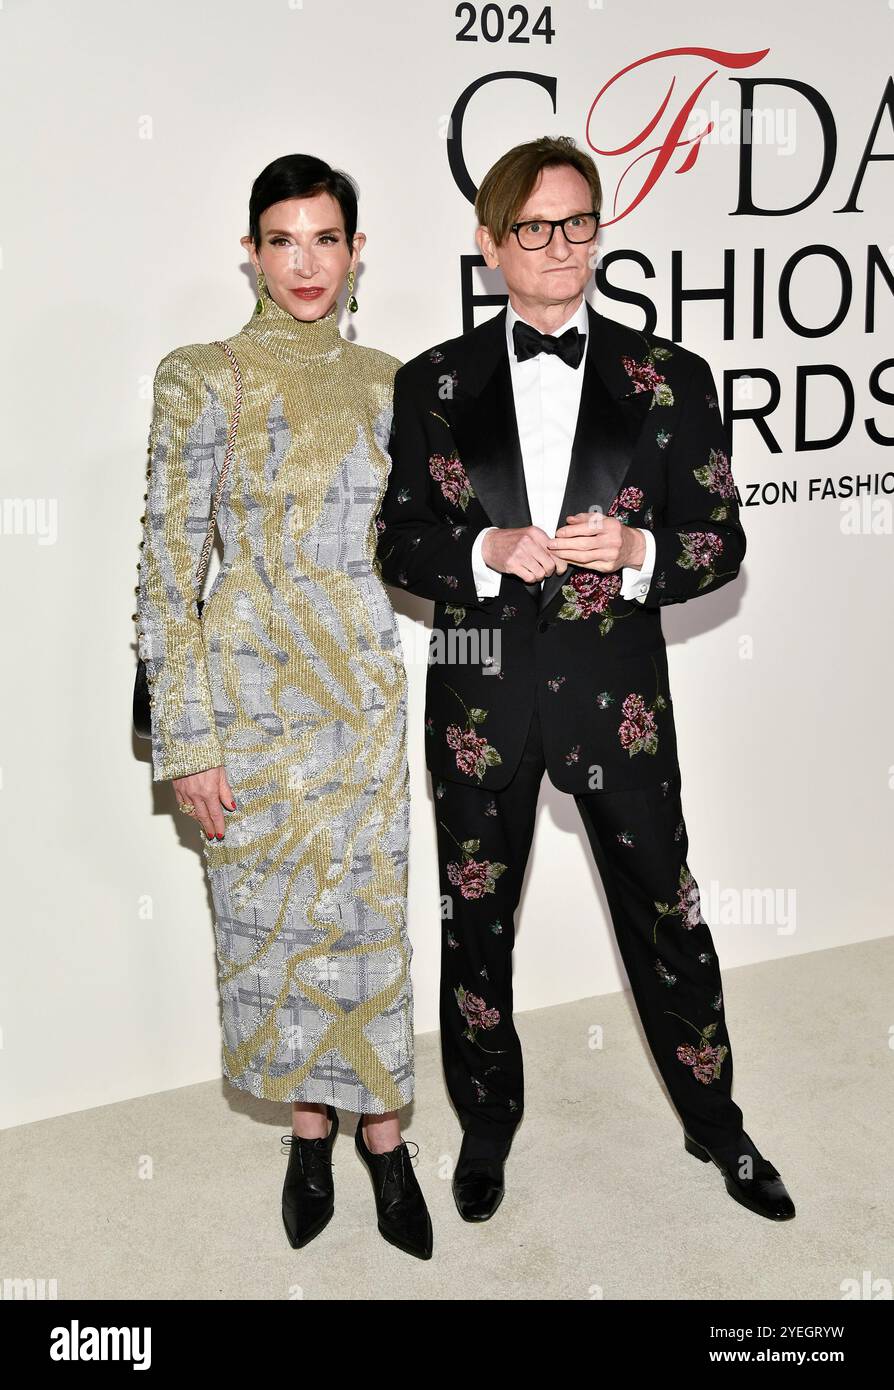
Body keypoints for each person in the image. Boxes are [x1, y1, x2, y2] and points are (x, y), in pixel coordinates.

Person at [376, 135, 795, 1226]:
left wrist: (641, 553)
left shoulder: (671, 377)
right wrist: (483, 551)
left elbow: (722, 541)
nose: (561, 245)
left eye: (578, 222)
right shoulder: (431, 383)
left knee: (669, 915)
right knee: (476, 930)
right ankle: (486, 1127)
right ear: (490, 243)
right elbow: (398, 541)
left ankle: (718, 1124)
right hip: (478, 694)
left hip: (621, 702)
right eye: (534, 226)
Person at [135, 152, 432, 1259]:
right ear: (251, 253)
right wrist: (187, 740)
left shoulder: (393, 381)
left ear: (357, 252)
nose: (305, 263)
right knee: (280, 931)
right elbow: (168, 571)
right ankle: (310, 1135)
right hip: (250, 703)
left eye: (325, 239)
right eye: (282, 240)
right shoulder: (199, 376)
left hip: (360, 689)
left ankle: (385, 1137)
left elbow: (428, 535)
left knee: (368, 923)